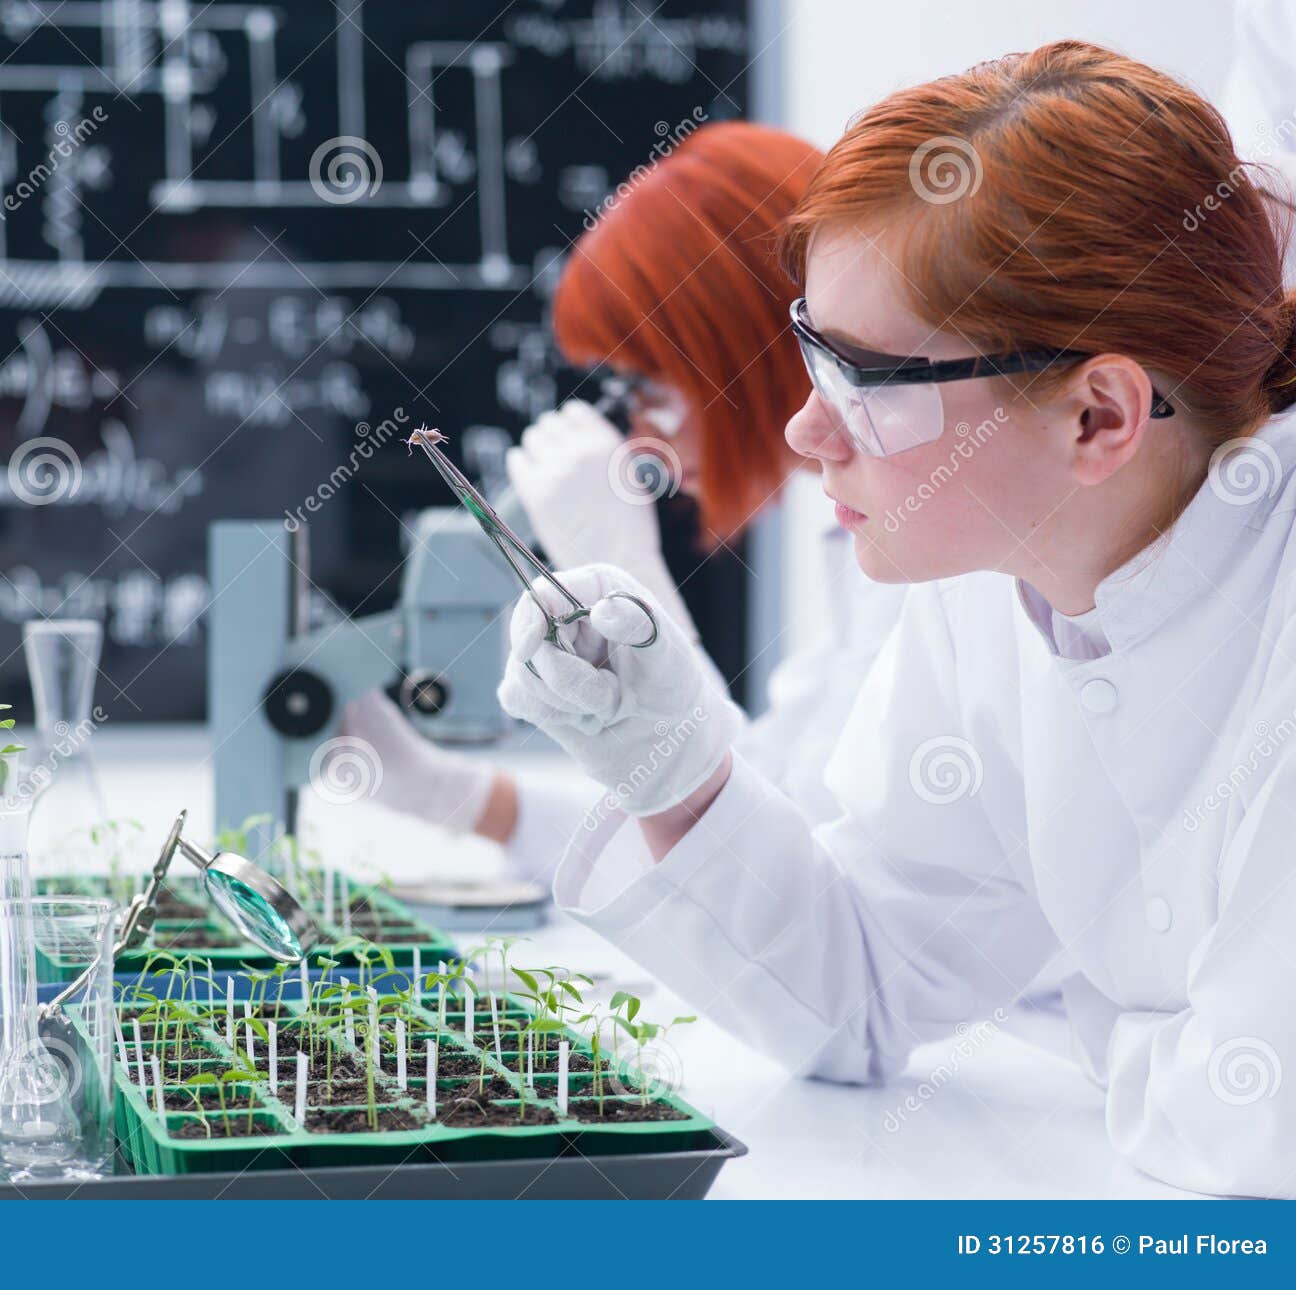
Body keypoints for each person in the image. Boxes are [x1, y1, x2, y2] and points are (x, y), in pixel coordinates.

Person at [497, 41, 1296, 1199]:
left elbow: (1258, 1129)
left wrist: (1092, 1022)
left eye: (866, 381)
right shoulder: (991, 580)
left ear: (1097, 417)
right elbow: (863, 995)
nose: (804, 432)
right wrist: (668, 768)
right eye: (812, 355)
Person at [342, 121, 908, 872]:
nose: (639, 434)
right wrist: (444, 793)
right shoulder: (853, 539)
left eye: (647, 386)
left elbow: (771, 865)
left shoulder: (932, 555)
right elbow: (762, 797)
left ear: (742, 348)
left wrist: (626, 582)